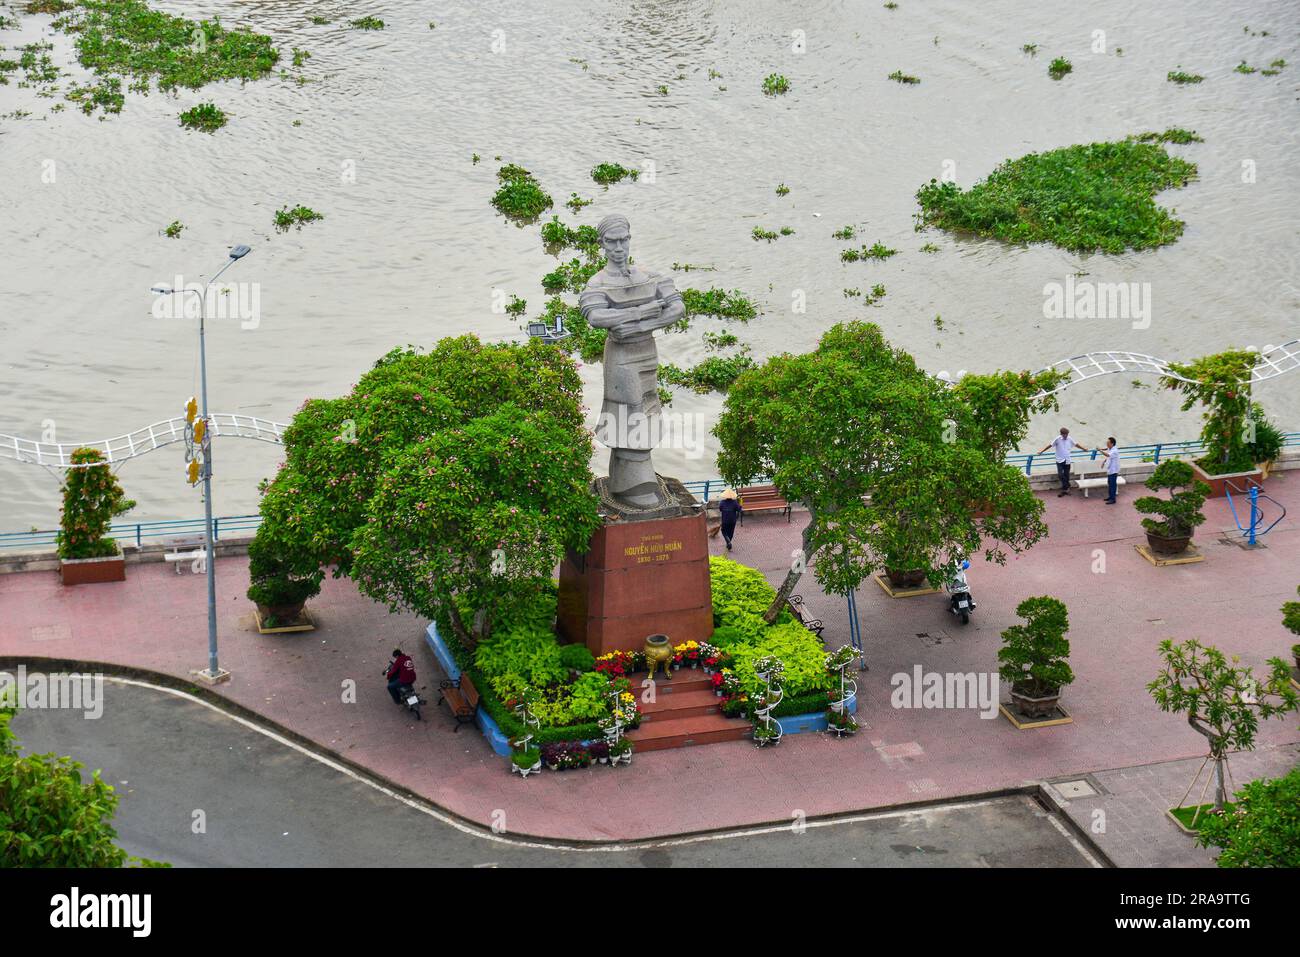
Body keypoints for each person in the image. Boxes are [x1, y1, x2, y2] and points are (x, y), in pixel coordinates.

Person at [1039, 427, 1089, 497]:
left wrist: (1084, 448)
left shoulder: (1070, 438)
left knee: (1067, 475)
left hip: (1067, 460)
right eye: (1065, 435)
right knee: (1060, 475)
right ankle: (1067, 485)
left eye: (1067, 434)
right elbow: (1050, 445)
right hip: (1059, 460)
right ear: (1061, 434)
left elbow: (1076, 444)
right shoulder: (1057, 439)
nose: (1066, 436)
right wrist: (1041, 451)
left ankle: (1065, 490)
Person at [1097, 437, 1121, 504]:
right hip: (1110, 470)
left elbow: (1108, 454)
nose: (1107, 444)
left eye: (1108, 443)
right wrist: (1104, 461)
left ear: (1112, 444)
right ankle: (1110, 497)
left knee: (1112, 485)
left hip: (1114, 470)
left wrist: (1100, 450)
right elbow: (1107, 450)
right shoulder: (1110, 448)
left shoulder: (1115, 451)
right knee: (1110, 483)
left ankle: (1113, 499)